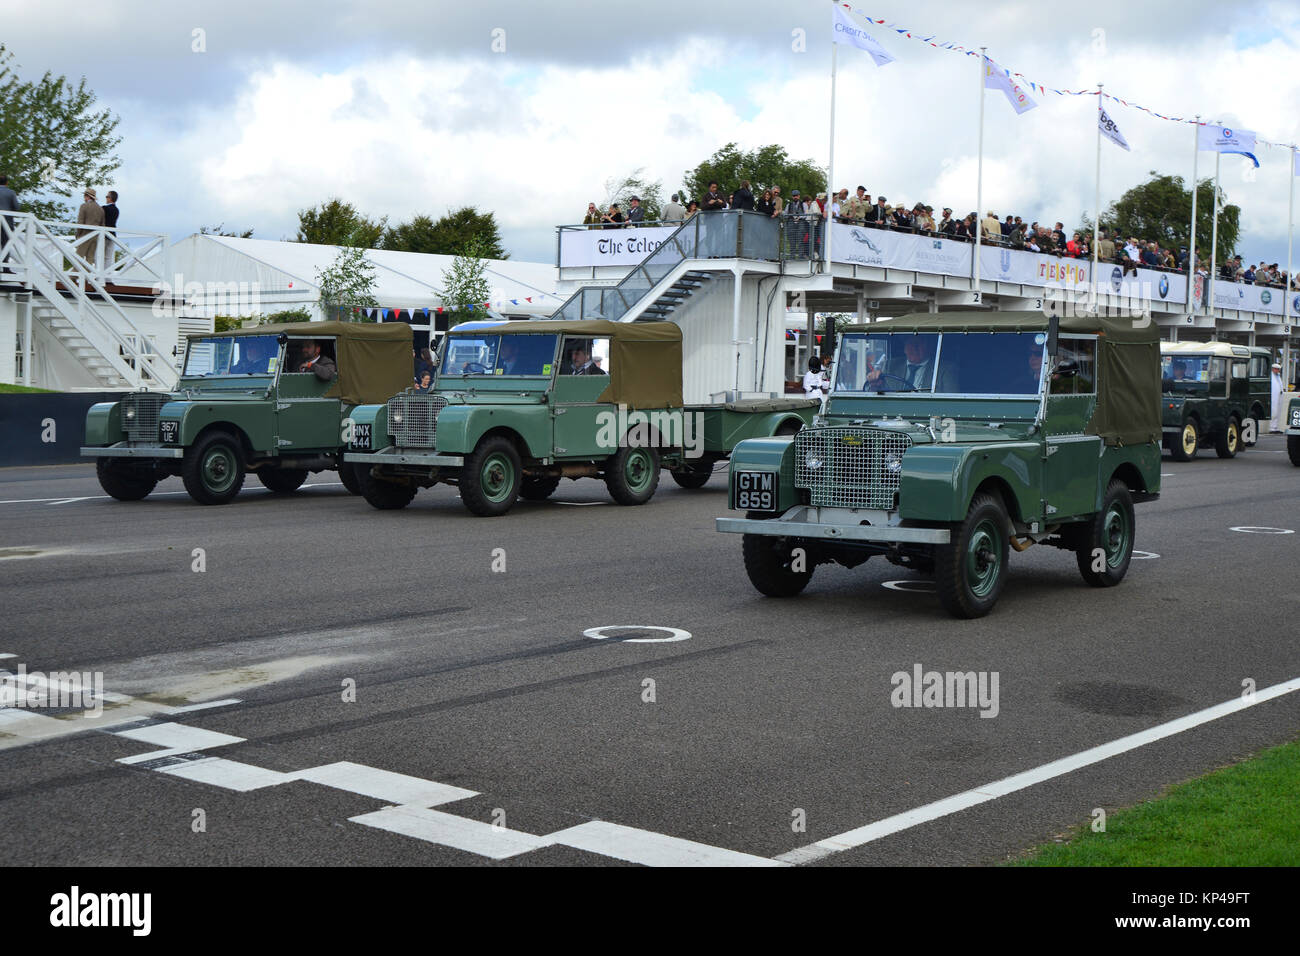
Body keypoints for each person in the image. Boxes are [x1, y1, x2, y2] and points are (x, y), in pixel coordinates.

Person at [75, 187, 105, 270]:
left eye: (84, 195)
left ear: (87, 196)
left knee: (79, 255)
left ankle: (74, 275)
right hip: (95, 236)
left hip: (85, 234)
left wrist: (78, 234)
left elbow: (80, 222)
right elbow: (102, 224)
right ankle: (87, 276)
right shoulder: (101, 209)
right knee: (90, 257)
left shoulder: (84, 206)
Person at [0, 174, 18, 273]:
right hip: (6, 223)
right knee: (5, 244)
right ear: (7, 182)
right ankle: (5, 267)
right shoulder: (11, 193)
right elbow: (16, 207)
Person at [101, 190, 120, 268]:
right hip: (112, 235)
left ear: (110, 198)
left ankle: (99, 276)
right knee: (108, 257)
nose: (106, 198)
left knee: (99, 256)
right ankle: (107, 277)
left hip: (104, 235)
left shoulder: (104, 208)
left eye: (107, 196)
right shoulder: (117, 210)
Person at [1271, 361, 1284, 433]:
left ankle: (1275, 427)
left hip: (1279, 396)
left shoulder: (1278, 376)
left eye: (1278, 369)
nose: (1277, 370)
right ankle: (1272, 427)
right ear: (1273, 369)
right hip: (1274, 396)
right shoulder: (1271, 376)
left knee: (1278, 411)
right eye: (1276, 369)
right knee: (1274, 411)